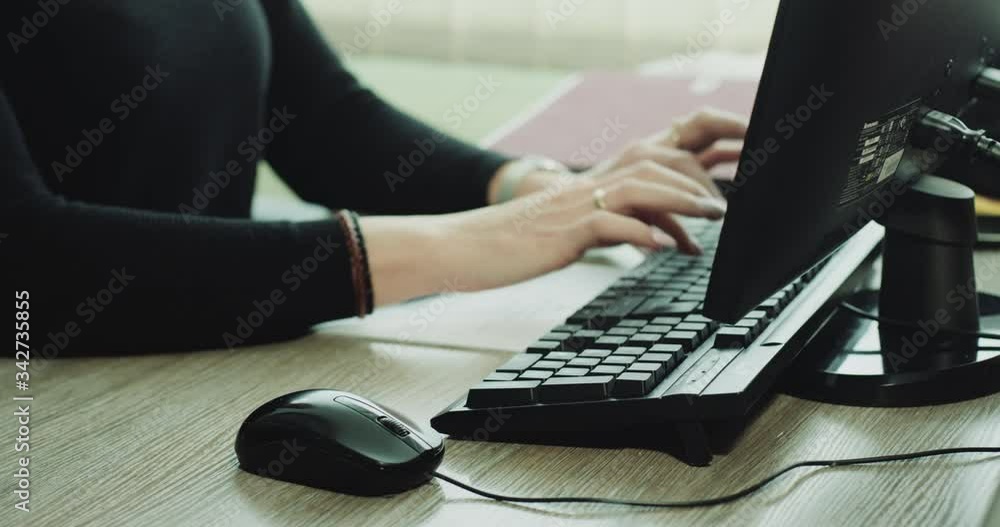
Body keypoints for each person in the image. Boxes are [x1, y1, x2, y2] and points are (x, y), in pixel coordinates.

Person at [0, 0, 746, 355]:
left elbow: (323, 122)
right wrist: (464, 246)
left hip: (204, 372)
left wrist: (538, 190)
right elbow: (28, 261)